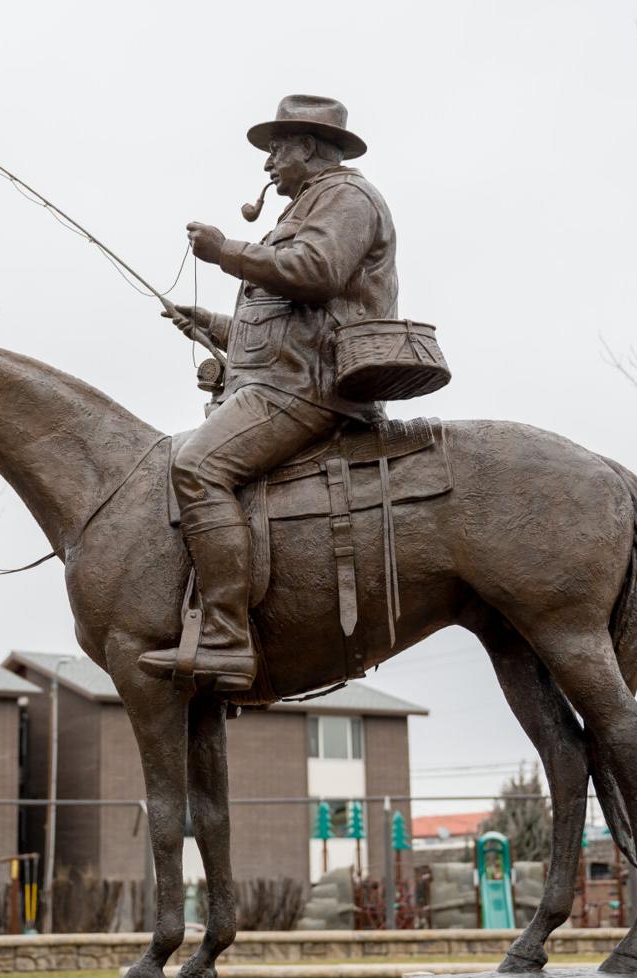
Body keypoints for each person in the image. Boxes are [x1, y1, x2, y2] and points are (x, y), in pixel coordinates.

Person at [136, 94, 399, 691]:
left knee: (196, 466)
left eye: (277, 149)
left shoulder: (346, 196)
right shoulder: (310, 203)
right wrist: (215, 325)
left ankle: (227, 637)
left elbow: (316, 271)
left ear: (307, 146)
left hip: (307, 389)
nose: (267, 164)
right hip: (290, 377)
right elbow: (291, 323)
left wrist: (225, 252)